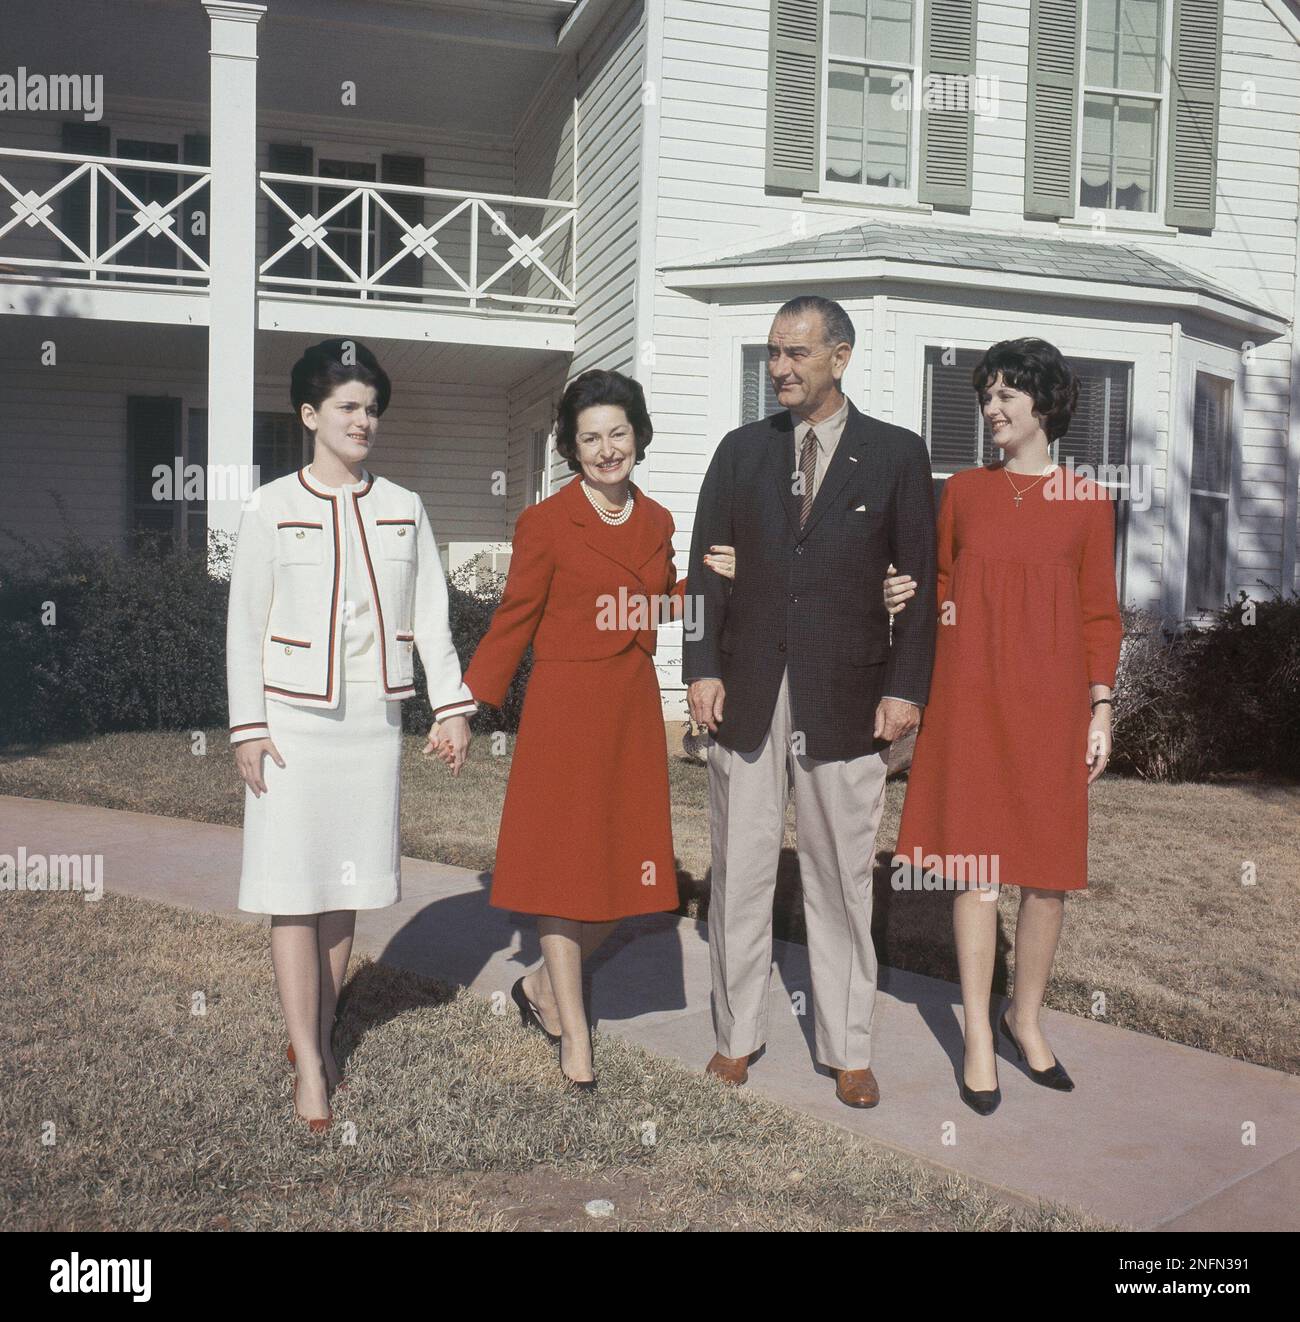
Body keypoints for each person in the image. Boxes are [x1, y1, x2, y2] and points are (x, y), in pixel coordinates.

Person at [683, 295, 938, 1108]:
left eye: (797, 353)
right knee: (741, 874)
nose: (781, 369)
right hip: (750, 691)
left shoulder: (896, 455)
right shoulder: (740, 452)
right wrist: (701, 665)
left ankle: (848, 1049)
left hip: (849, 695)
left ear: (842, 356)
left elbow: (922, 588)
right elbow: (701, 574)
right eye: (772, 354)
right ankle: (736, 1038)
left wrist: (905, 688)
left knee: (839, 878)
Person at [226, 338, 475, 1131]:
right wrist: (247, 727)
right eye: (347, 407)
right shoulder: (269, 506)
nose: (364, 420)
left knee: (342, 893)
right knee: (293, 894)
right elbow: (243, 630)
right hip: (291, 726)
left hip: (372, 725)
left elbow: (432, 617)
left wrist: (452, 706)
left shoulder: (404, 505)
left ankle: (319, 1037)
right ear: (310, 415)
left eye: (371, 408)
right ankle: (311, 1059)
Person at [889, 337, 1123, 1115]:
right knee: (979, 872)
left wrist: (1100, 707)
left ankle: (1025, 1019)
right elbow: (940, 590)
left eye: (1006, 396)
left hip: (1053, 710)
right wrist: (906, 599)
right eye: (986, 395)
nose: (991, 407)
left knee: (1048, 876)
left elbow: (1100, 614)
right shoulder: (962, 492)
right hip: (974, 705)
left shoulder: (1088, 503)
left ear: (1044, 406)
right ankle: (979, 1040)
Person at [460, 368, 688, 1090]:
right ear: (571, 447)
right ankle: (576, 1039)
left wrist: (718, 585)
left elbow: (654, 607)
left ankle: (538, 988)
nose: (606, 448)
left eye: (617, 433)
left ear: (637, 435)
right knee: (565, 873)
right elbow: (515, 621)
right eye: (589, 438)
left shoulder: (656, 521)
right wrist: (469, 703)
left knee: (628, 877)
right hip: (566, 710)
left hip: (629, 707)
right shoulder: (547, 522)